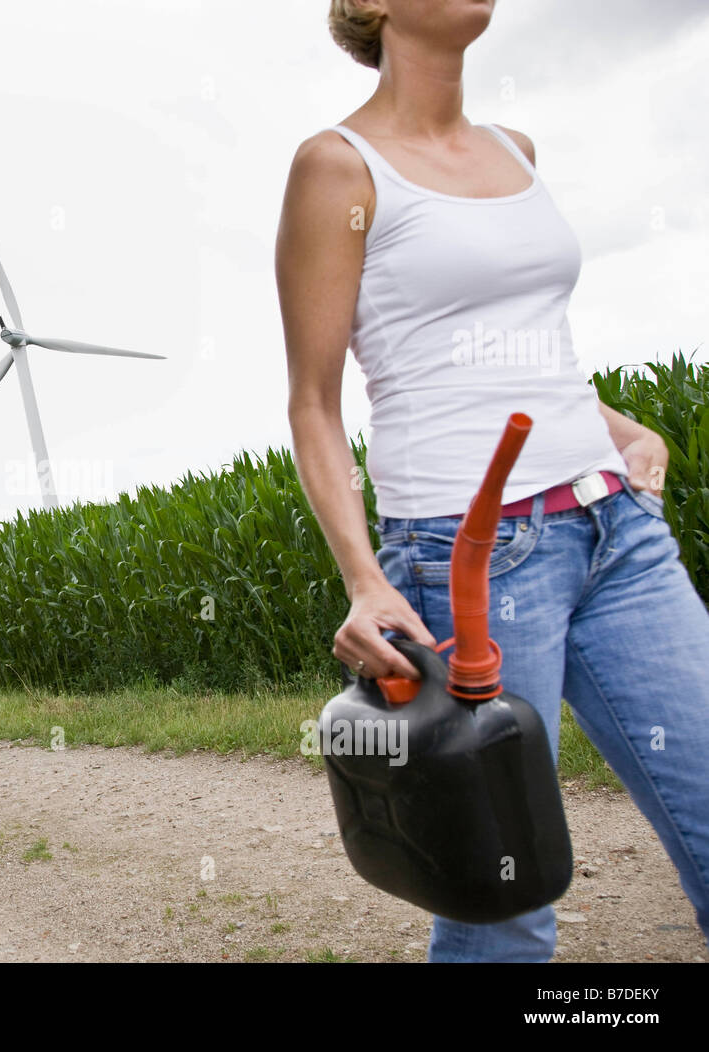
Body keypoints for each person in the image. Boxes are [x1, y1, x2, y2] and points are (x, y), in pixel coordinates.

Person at [274, 0, 709, 962]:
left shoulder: (517, 150)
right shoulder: (338, 168)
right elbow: (313, 400)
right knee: (504, 897)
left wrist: (624, 429)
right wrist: (362, 576)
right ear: (372, 7)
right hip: (472, 559)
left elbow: (523, 352)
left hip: (618, 533)